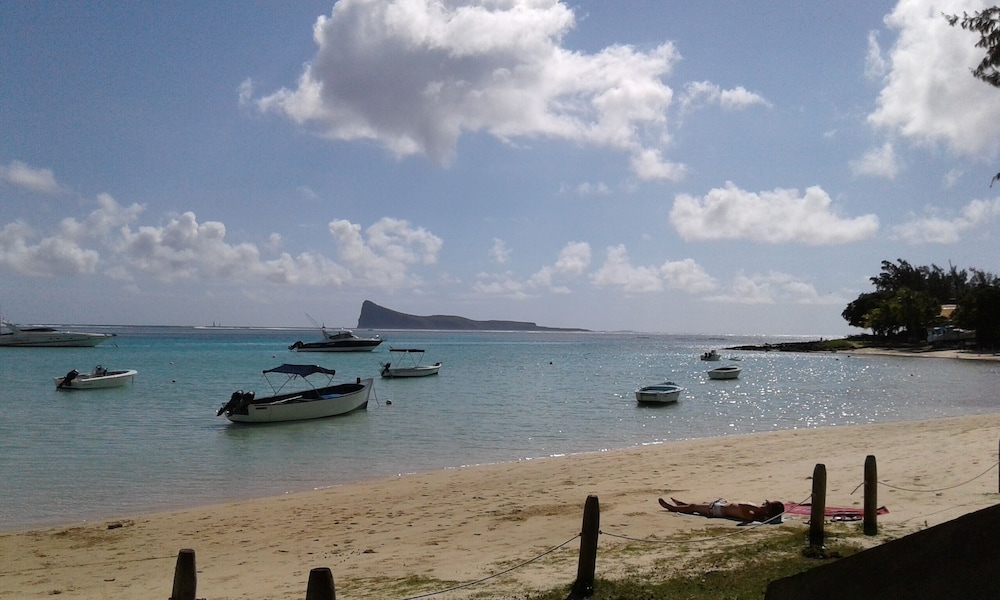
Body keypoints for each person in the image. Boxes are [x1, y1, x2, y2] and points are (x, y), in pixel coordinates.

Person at [658, 497, 784, 525]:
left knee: (694, 507)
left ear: (768, 511)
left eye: (766, 505)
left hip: (717, 510)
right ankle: (682, 505)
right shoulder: (754, 511)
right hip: (720, 505)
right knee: (697, 506)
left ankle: (672, 508)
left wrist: (755, 509)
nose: (762, 503)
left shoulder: (752, 513)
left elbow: (741, 505)